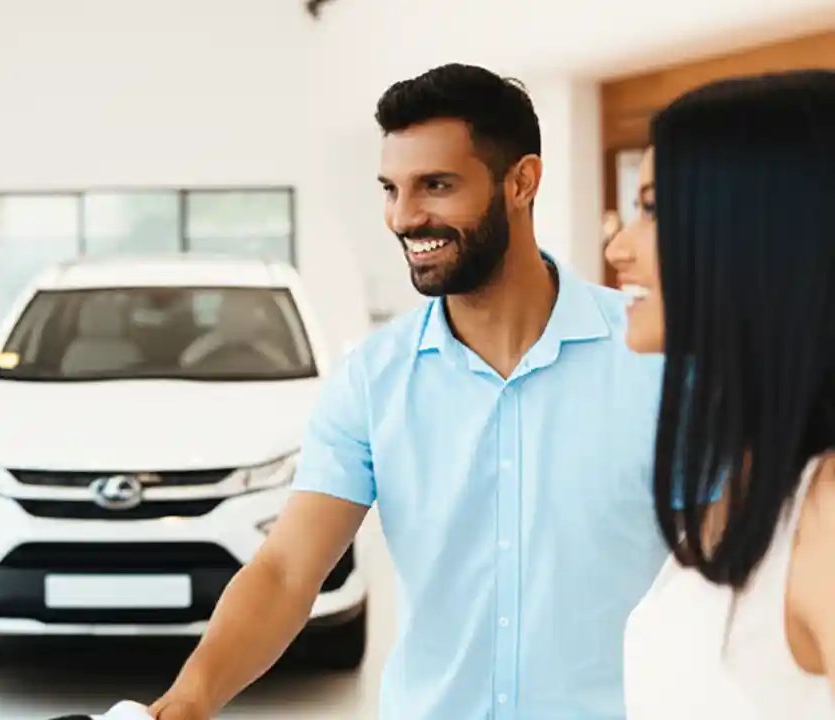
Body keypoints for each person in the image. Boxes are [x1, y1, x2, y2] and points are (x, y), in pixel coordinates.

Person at [148, 63, 668, 720]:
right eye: (391, 189)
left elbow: (721, 582)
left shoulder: (655, 360)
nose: (403, 216)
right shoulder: (373, 378)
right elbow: (286, 571)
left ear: (522, 182)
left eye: (436, 186)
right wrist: (191, 698)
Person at [609, 70, 835, 717]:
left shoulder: (827, 512)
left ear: (763, 234)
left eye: (653, 209)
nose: (617, 247)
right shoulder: (753, 477)